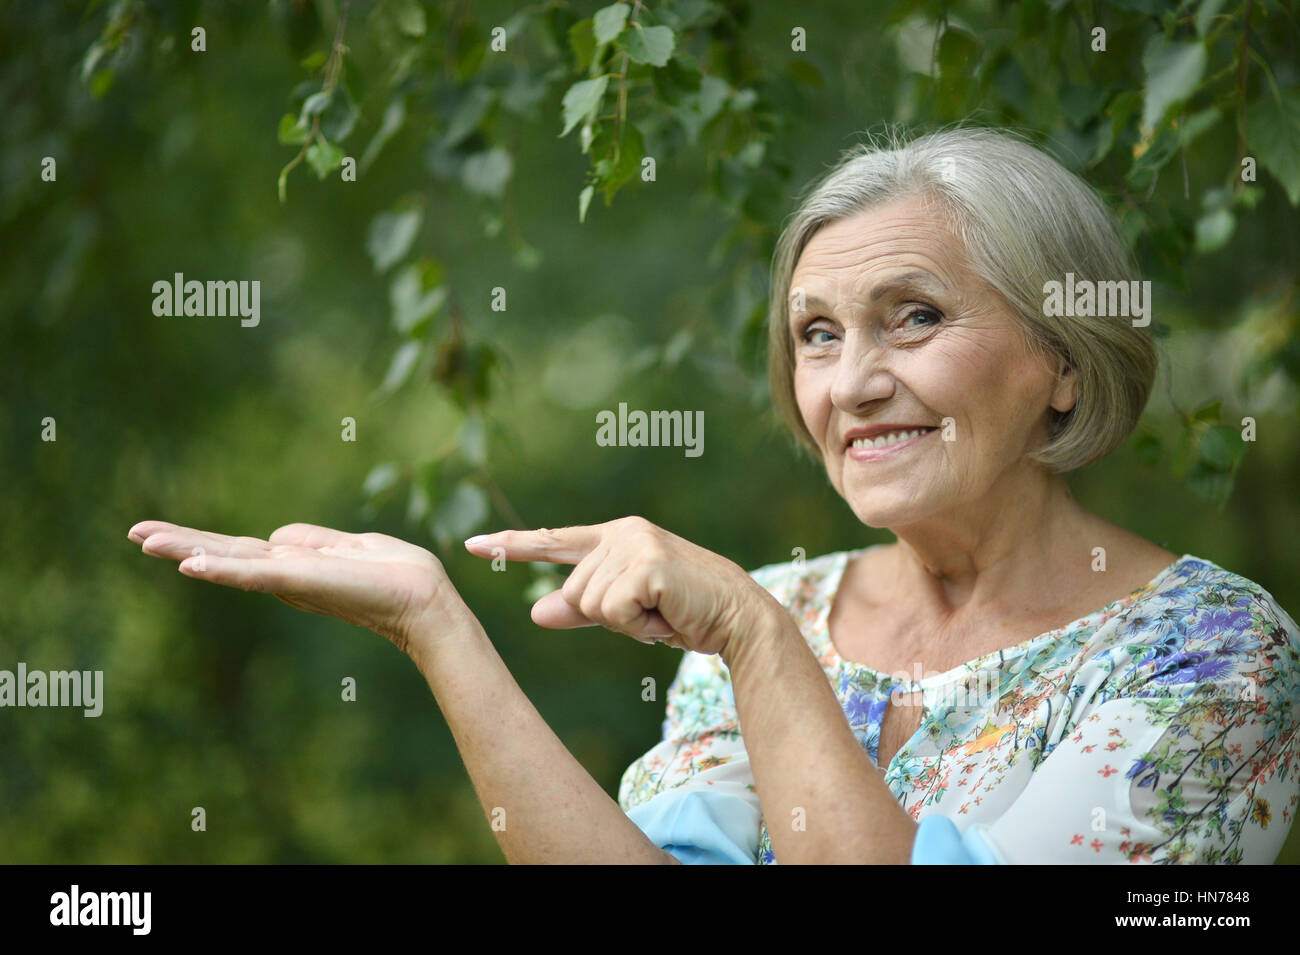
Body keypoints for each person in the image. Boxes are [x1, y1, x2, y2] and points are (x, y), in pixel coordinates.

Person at [129, 126, 1300, 865]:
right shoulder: (777, 610)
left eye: (917, 316)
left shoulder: (1214, 654)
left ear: (1060, 357)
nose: (854, 383)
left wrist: (751, 632)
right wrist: (434, 624)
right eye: (817, 335)